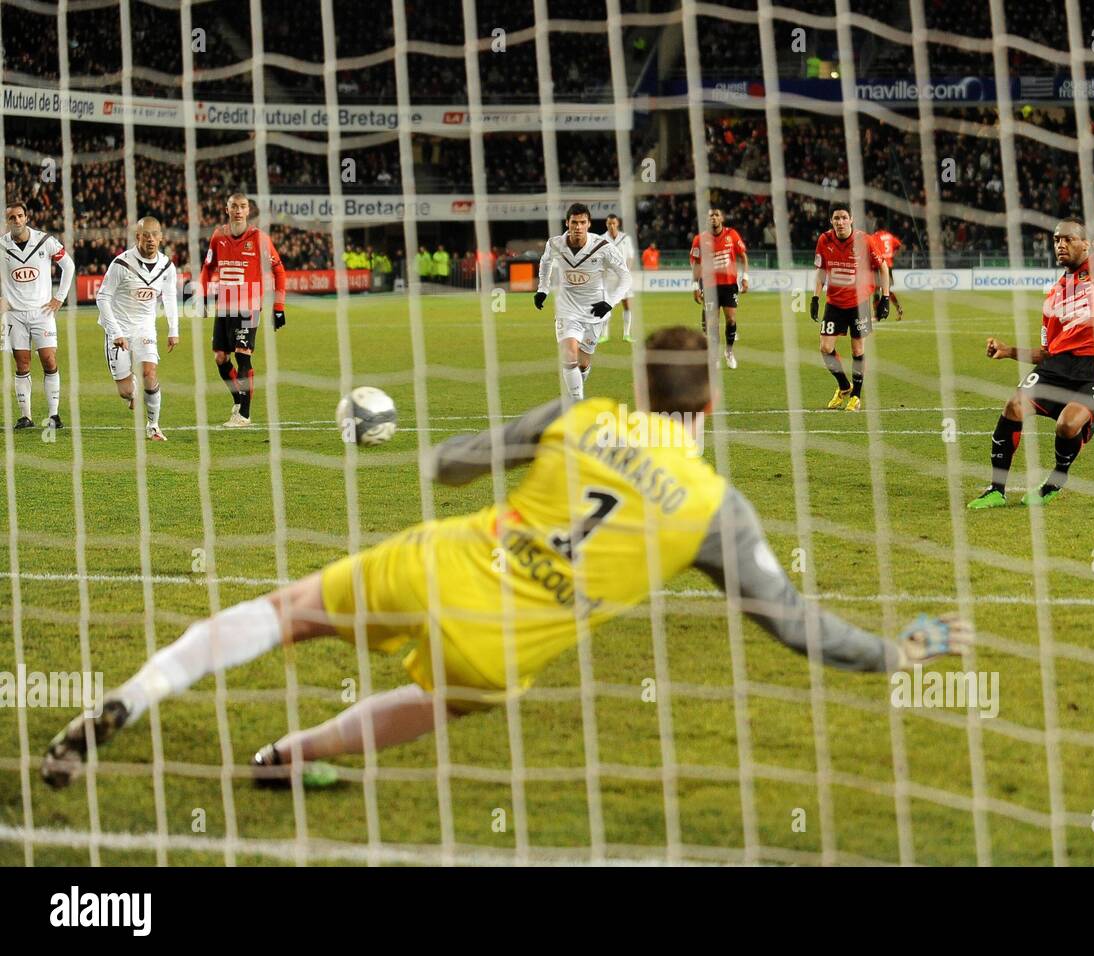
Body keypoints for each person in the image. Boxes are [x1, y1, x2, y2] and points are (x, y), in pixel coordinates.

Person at [40, 326, 972, 790]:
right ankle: (291, 755)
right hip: (507, 640)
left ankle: (131, 696)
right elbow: (794, 625)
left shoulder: (586, 416)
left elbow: (452, 464)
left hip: (442, 561)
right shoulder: (715, 512)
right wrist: (899, 649)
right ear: (710, 410)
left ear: (640, 384)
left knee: (287, 612)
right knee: (452, 698)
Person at [968, 217, 1094, 508]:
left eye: (1067, 239)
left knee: (1067, 425)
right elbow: (1046, 352)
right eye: (1056, 240)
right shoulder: (1054, 296)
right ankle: (996, 489)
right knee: (1014, 406)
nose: (1060, 245)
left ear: (1085, 243)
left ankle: (1056, 480)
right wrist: (1008, 350)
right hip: (1060, 364)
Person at [198, 193, 287, 428]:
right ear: (227, 209)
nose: (238, 210)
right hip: (225, 306)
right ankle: (238, 399)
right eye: (234, 206)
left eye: (243, 207)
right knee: (220, 357)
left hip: (248, 307)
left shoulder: (259, 238)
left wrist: (279, 307)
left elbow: (279, 271)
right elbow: (207, 268)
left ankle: (244, 415)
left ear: (249, 211)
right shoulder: (219, 236)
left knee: (242, 354)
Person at [95, 217, 180, 441]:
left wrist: (173, 329)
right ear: (137, 237)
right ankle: (133, 392)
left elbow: (170, 298)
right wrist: (115, 332)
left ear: (161, 237)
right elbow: (102, 298)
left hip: (145, 328)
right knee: (125, 391)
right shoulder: (121, 264)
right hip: (119, 329)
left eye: (154, 234)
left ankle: (153, 426)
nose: (150, 239)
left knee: (150, 374)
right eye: (145, 235)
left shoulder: (167, 267)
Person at [535, 202, 631, 401]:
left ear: (589, 224)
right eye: (574, 222)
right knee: (569, 355)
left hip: (594, 311)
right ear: (567, 223)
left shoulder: (603, 248)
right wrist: (542, 289)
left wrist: (610, 302)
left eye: (582, 222)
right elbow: (545, 263)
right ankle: (576, 404)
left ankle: (575, 390)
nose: (578, 227)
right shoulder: (554, 244)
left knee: (583, 363)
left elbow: (626, 277)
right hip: (567, 308)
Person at [1, 200, 74, 430]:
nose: (17, 221)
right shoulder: (2, 246)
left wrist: (59, 298)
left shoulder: (44, 241)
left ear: (27, 217)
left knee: (49, 359)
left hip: (42, 312)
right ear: (7, 221)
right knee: (22, 364)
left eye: (20, 216)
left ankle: (53, 415)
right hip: (15, 314)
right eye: (12, 217)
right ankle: (26, 416)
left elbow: (69, 266)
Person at [811, 207, 888, 412]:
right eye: (836, 218)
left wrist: (885, 298)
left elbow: (883, 267)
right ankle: (844, 386)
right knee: (825, 348)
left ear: (852, 219)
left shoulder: (865, 241)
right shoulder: (824, 240)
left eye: (844, 217)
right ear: (831, 221)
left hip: (859, 303)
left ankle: (856, 396)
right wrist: (815, 298)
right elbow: (821, 271)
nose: (840, 222)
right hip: (834, 303)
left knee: (857, 350)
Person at [690, 208, 748, 368]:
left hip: (729, 285)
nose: (713, 218)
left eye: (716, 215)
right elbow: (696, 263)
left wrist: (745, 277)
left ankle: (729, 352)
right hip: (710, 286)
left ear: (722, 218)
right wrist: (695, 285)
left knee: (731, 320)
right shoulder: (699, 239)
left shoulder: (732, 235)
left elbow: (743, 256)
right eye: (710, 216)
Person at [596, 214, 637, 343]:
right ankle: (604, 335)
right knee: (606, 305)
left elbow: (631, 257)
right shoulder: (602, 239)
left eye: (613, 223)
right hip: (608, 278)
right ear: (606, 224)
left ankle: (626, 334)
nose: (611, 226)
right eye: (609, 224)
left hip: (623, 277)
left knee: (627, 305)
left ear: (618, 223)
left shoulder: (626, 238)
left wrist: (627, 271)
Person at [870, 226, 904, 319]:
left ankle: (876, 314)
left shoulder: (875, 236)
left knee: (877, 290)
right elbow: (899, 246)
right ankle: (898, 308)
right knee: (887, 290)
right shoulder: (889, 236)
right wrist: (892, 255)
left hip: (879, 266)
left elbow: (870, 249)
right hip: (889, 266)